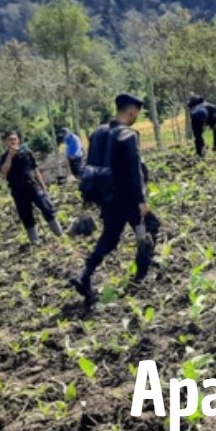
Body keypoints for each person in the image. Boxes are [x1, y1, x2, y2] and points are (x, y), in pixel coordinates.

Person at [69, 94, 158, 304]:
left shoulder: (98, 133)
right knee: (149, 225)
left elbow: (91, 165)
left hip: (106, 197)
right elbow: (133, 171)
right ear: (132, 112)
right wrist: (141, 200)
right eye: (136, 114)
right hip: (127, 196)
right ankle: (141, 274)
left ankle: (84, 274)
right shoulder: (129, 134)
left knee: (109, 237)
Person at [0, 131, 63, 245]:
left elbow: (35, 169)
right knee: (26, 215)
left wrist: (43, 186)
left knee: (47, 208)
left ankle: (59, 234)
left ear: (18, 140)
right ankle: (35, 241)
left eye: (14, 139)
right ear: (5, 142)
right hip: (18, 191)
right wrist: (10, 157)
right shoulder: (3, 158)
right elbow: (4, 172)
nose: (13, 142)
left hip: (33, 187)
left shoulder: (26, 153)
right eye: (10, 140)